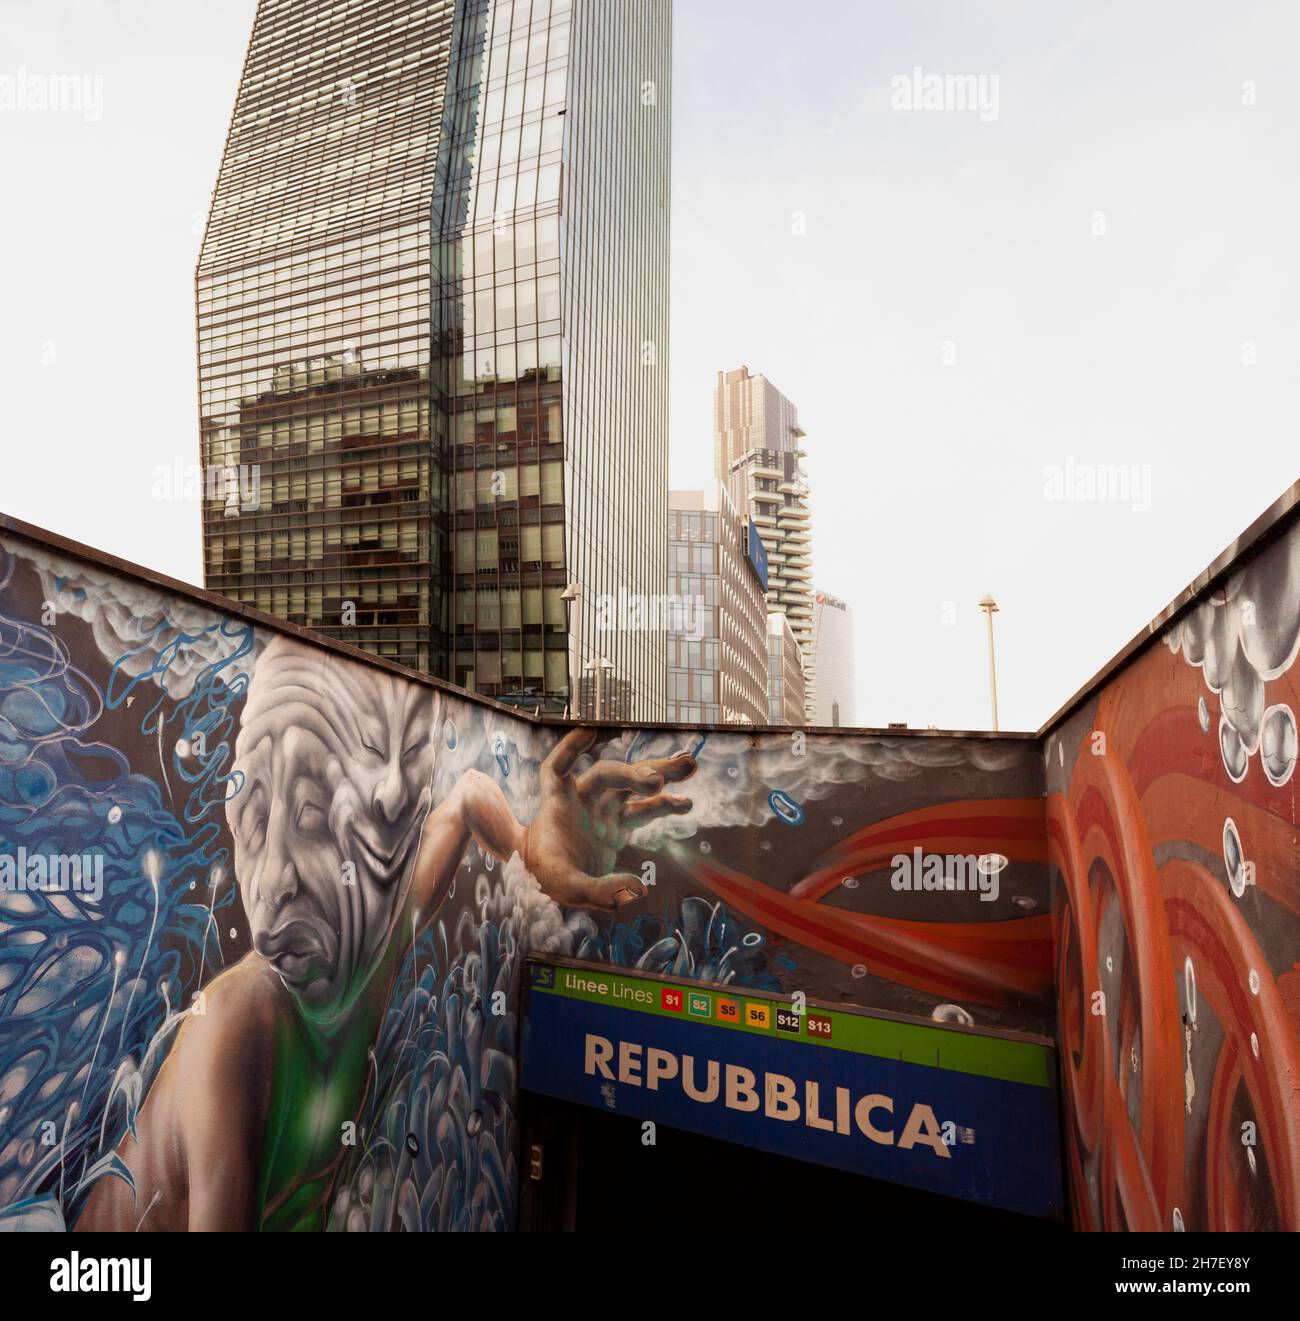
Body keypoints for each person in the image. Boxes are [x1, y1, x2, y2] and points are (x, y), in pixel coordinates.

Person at [76, 636, 694, 1231]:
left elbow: (468, 798)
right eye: (253, 819)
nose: (273, 880)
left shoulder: (371, 943)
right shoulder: (239, 1022)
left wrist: (532, 852)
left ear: (390, 827)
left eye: (312, 814)